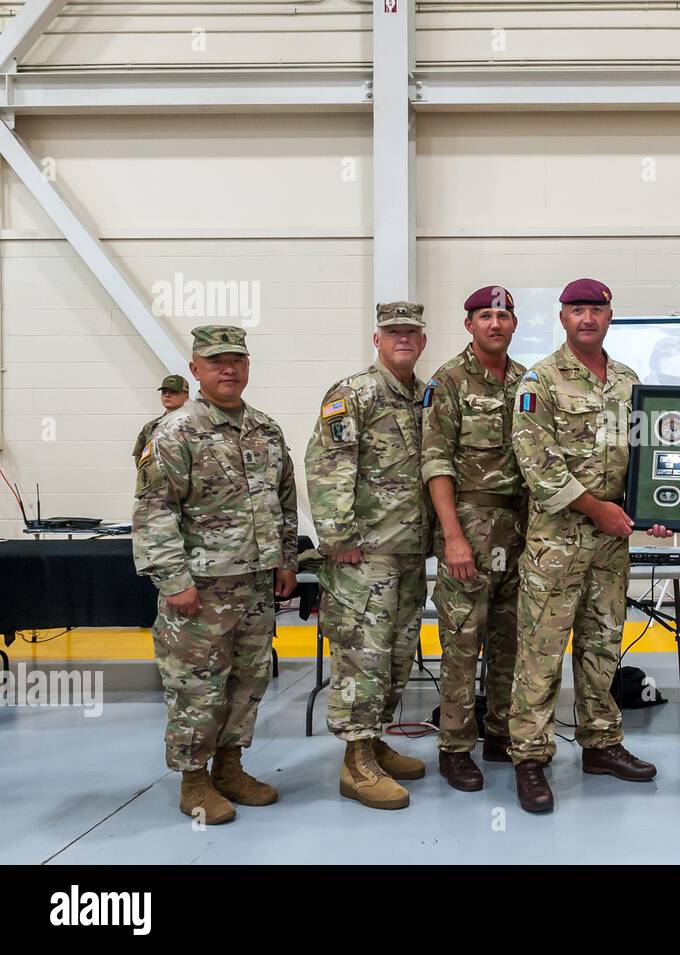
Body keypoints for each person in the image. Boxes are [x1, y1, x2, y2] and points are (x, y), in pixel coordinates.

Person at [508, 277, 671, 813]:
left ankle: (601, 743)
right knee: (541, 651)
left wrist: (655, 509)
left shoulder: (627, 381)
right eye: (577, 309)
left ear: (609, 315)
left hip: (610, 546)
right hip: (558, 542)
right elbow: (538, 466)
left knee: (602, 645)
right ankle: (531, 758)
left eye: (596, 309)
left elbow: (641, 457)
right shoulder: (540, 381)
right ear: (562, 318)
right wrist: (597, 507)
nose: (587, 318)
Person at [132, 325, 297, 825]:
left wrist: (286, 560)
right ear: (195, 370)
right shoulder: (175, 432)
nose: (229, 369)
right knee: (196, 687)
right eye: (216, 361)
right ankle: (194, 779)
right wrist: (173, 580)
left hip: (254, 584)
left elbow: (285, 501)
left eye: (237, 360)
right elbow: (154, 511)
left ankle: (230, 767)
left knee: (249, 681)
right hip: (199, 590)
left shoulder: (265, 429)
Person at [305, 301, 430, 811]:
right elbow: (328, 465)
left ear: (422, 341)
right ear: (376, 339)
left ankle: (374, 740)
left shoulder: (424, 396)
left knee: (398, 656)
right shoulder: (353, 393)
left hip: (408, 552)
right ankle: (356, 762)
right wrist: (339, 539)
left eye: (412, 332)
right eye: (393, 331)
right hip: (364, 557)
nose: (403, 338)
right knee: (363, 657)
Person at [421, 285, 526, 792]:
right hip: (470, 529)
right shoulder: (449, 380)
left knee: (510, 640)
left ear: (514, 324)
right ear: (469, 325)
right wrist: (453, 538)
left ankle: (501, 733)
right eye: (485, 315)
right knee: (463, 643)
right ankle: (455, 746)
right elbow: (435, 462)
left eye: (503, 315)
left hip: (520, 530)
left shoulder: (528, 381)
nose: (494, 324)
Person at [132, 374, 189, 465]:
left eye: (173, 391)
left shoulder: (196, 425)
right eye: (164, 392)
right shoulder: (151, 427)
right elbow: (140, 457)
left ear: (186, 395)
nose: (167, 395)